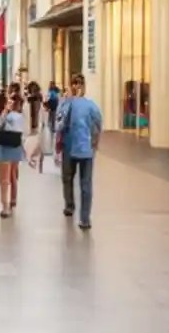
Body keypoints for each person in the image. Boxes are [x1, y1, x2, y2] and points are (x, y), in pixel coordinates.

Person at [56, 74, 102, 230]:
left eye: (77, 84)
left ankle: (78, 213)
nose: (75, 87)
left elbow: (59, 124)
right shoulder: (87, 105)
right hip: (80, 148)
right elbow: (98, 123)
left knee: (77, 181)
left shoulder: (72, 104)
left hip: (76, 148)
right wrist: (95, 141)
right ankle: (78, 212)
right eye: (74, 84)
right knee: (80, 181)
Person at [0, 92, 27, 218]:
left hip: (4, 147)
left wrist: (5, 110)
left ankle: (5, 206)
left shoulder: (8, 115)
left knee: (4, 179)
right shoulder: (21, 117)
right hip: (17, 147)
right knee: (13, 174)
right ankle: (13, 199)